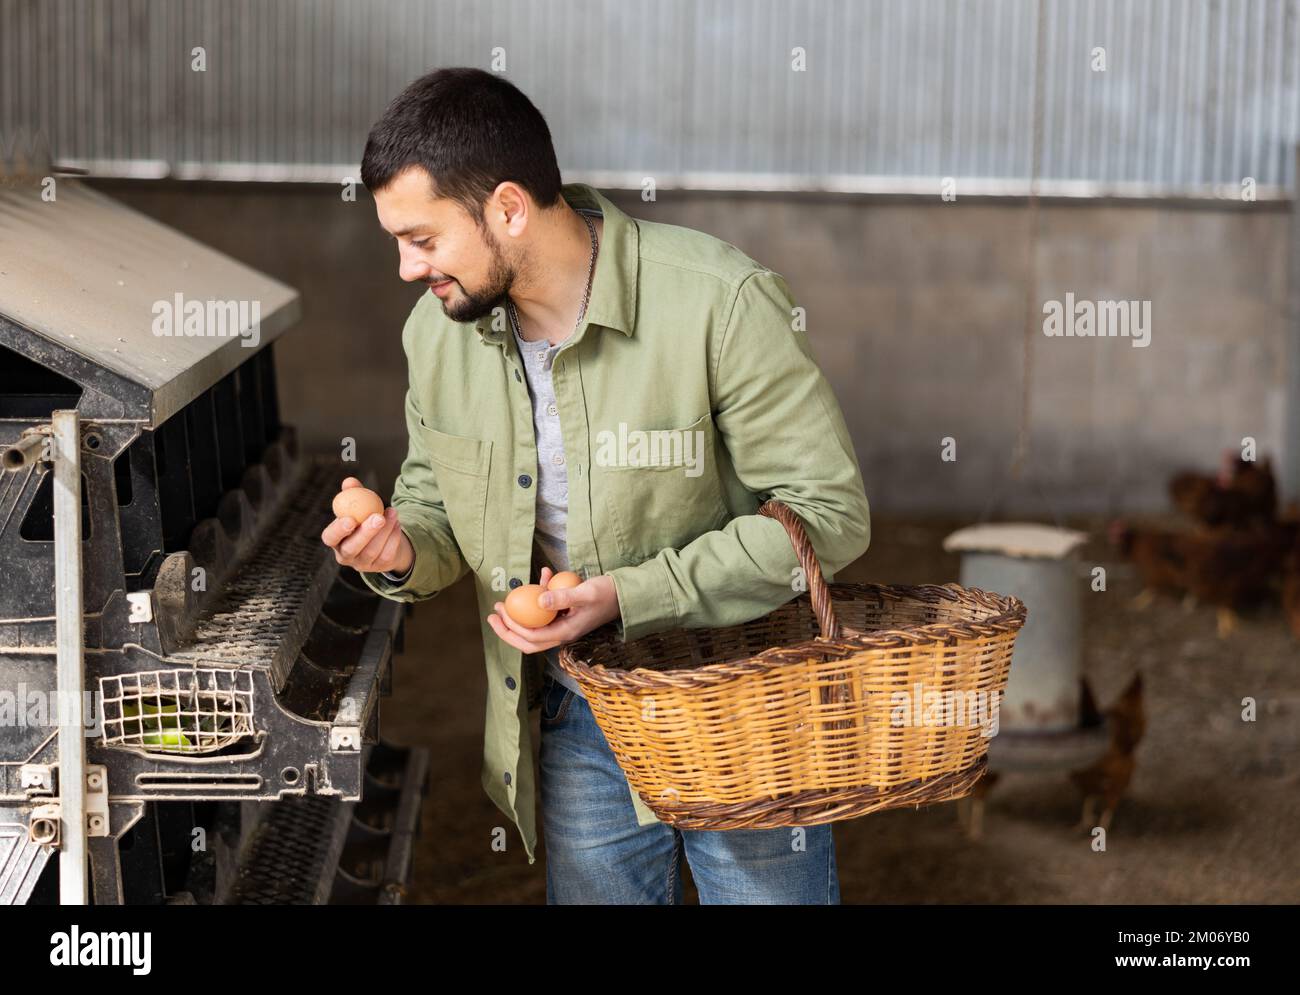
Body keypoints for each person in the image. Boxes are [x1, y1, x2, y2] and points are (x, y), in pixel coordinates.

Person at [320, 67, 870, 904]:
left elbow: (828, 517)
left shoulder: (718, 301)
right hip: (577, 712)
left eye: (423, 239)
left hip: (736, 703)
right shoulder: (437, 336)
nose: (404, 268)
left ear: (508, 208)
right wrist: (399, 547)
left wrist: (629, 593)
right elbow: (435, 506)